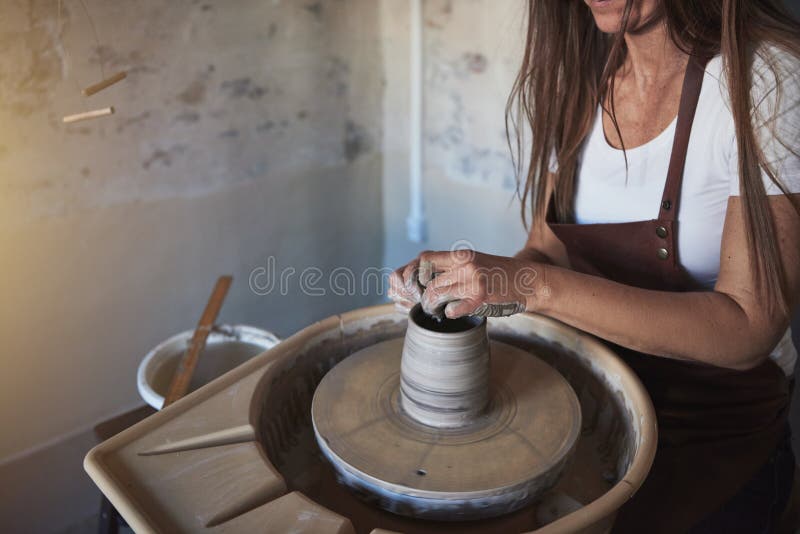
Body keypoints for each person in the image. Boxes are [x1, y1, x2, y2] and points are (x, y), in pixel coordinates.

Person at [388, 0, 800, 532]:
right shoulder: (584, 80)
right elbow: (545, 250)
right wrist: (471, 289)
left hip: (710, 441)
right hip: (590, 409)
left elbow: (749, 328)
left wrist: (533, 287)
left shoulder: (766, 81)